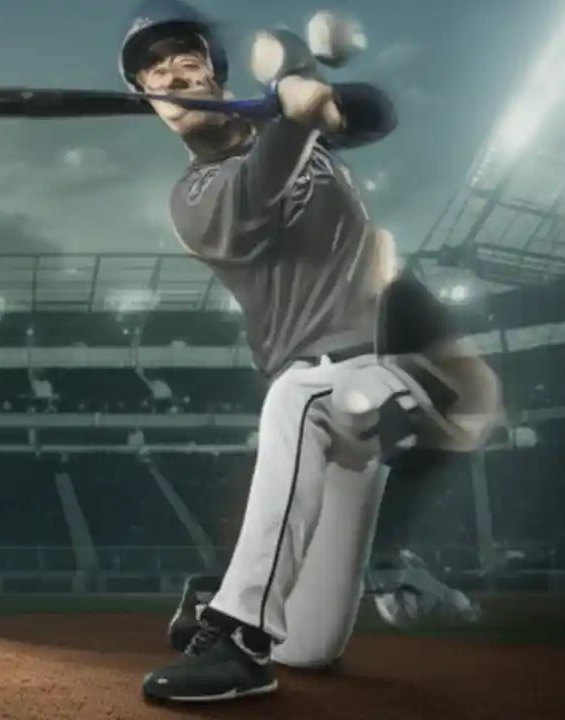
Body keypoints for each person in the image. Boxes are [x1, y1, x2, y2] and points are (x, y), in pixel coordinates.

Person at [117, 0, 409, 704]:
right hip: (321, 391)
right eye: (152, 71)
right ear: (148, 103)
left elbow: (379, 113)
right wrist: (297, 113)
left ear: (215, 76)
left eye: (184, 60)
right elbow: (260, 188)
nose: (169, 74)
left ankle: (241, 637)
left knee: (298, 399)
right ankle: (232, 604)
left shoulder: (297, 132)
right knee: (310, 647)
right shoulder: (195, 198)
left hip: (384, 375)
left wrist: (324, 105)